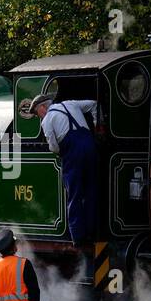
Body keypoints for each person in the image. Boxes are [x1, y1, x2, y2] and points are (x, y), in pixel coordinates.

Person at [32, 92, 98, 244]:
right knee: (90, 190)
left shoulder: (47, 120)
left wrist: (61, 152)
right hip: (89, 145)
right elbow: (94, 103)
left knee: (74, 193)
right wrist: (96, 125)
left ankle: (78, 236)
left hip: (72, 151)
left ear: (42, 107)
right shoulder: (71, 102)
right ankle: (92, 231)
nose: (39, 116)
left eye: (37, 113)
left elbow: (54, 147)